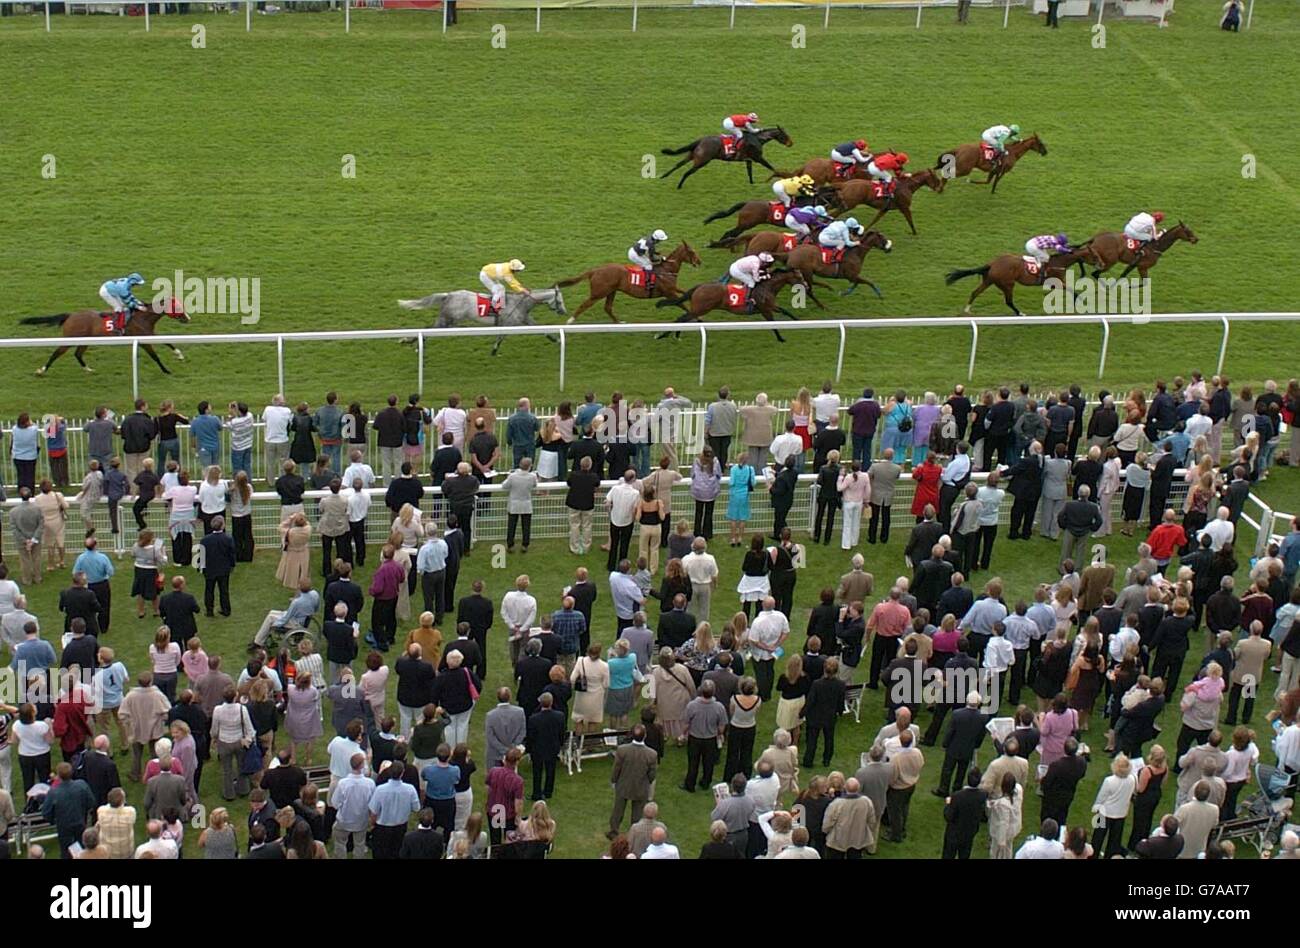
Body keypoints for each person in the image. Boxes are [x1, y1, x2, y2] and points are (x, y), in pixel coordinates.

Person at [1091, 754, 1137, 858]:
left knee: (1098, 837)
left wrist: (1096, 807)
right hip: (1121, 813)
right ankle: (1109, 856)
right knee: (1115, 840)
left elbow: (1101, 797)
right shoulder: (1132, 779)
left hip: (1104, 813)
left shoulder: (1109, 780)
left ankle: (1094, 855)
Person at [822, 777, 876, 859]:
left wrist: (826, 831)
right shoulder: (866, 801)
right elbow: (871, 820)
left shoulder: (837, 803)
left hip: (838, 838)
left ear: (845, 787)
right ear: (858, 788)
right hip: (858, 837)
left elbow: (827, 822)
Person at [942, 767, 988, 859]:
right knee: (965, 855)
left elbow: (949, 816)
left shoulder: (957, 796)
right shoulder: (983, 795)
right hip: (969, 833)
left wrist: (948, 804)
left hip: (954, 834)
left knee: (948, 855)